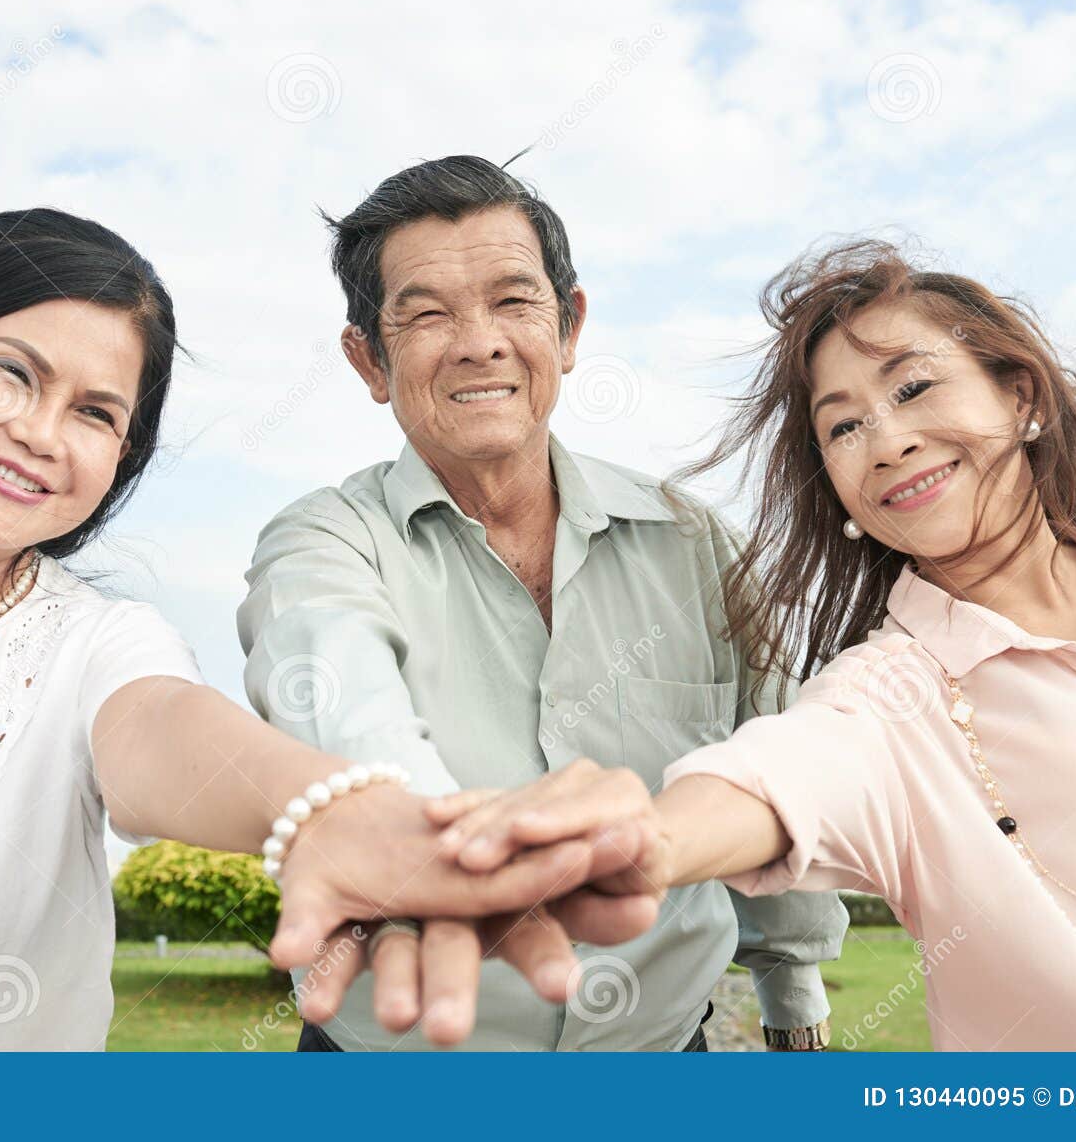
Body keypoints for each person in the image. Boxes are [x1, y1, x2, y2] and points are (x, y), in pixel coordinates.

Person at [0, 208, 652, 1051]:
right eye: (13, 375)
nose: (42, 434)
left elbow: (168, 734)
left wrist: (331, 809)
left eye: (95, 413)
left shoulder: (100, 647)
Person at [430, 239, 1076, 1049]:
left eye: (915, 387)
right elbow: (780, 776)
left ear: (1021, 397)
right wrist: (645, 839)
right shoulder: (888, 705)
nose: (888, 441)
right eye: (846, 426)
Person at [238, 156, 848, 1052]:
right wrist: (435, 862)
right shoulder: (322, 543)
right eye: (427, 312)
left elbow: (770, 753)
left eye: (513, 301)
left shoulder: (693, 540)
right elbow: (340, 694)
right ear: (369, 357)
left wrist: (793, 996)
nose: (479, 341)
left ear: (568, 328)